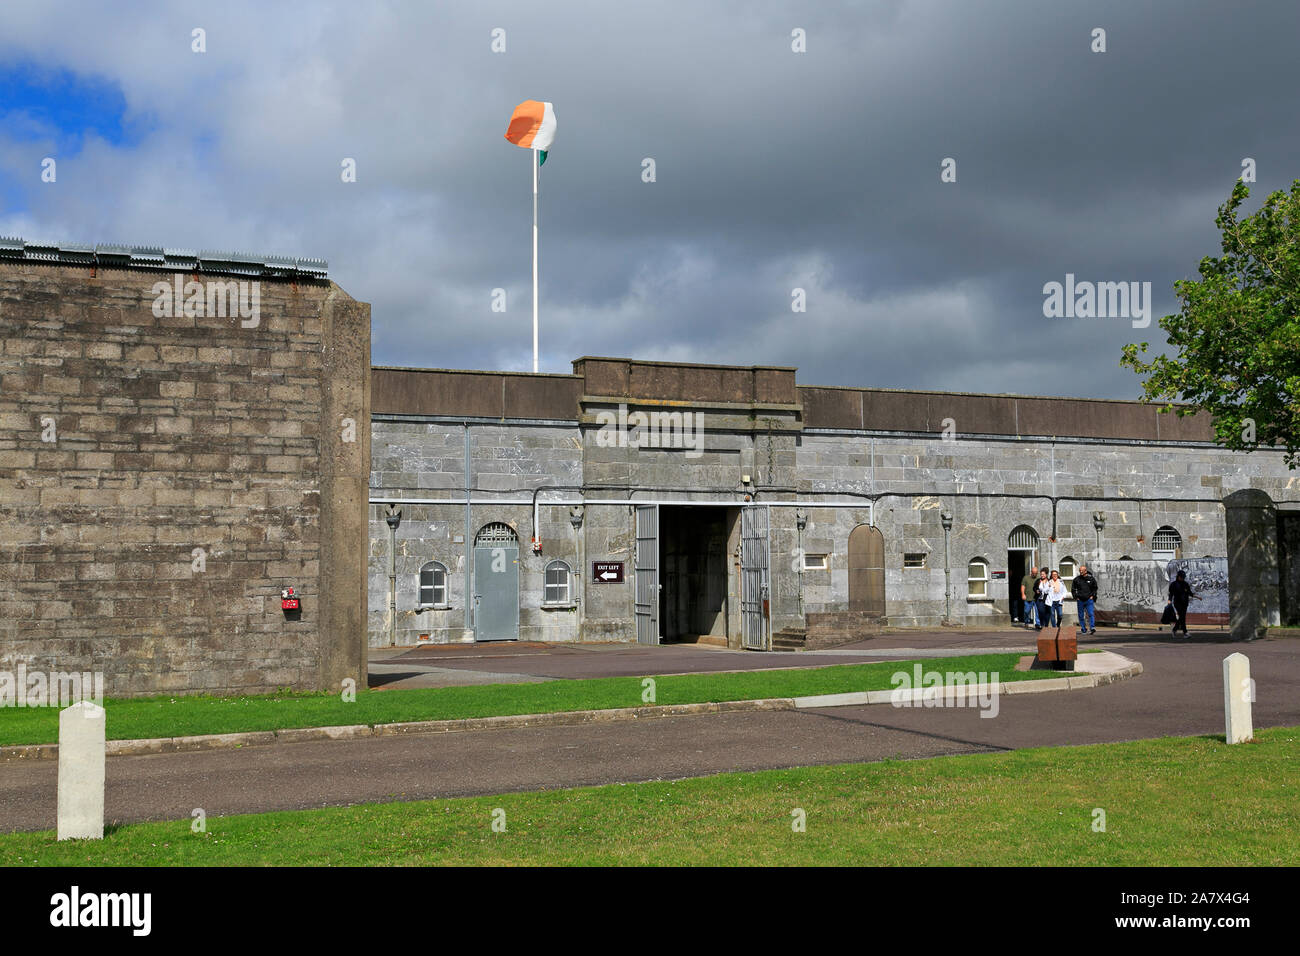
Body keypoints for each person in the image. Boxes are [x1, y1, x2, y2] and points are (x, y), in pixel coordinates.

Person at [1168, 570, 1197, 637]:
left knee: (1182, 617)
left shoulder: (1185, 584)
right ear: (1178, 576)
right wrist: (1169, 599)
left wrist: (1196, 596)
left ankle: (1174, 630)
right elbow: (1171, 593)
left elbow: (1189, 592)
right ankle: (1185, 633)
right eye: (1181, 577)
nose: (1182, 578)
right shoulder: (1173, 584)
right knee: (1182, 617)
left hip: (1185, 603)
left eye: (1183, 577)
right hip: (1177, 603)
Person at [1071, 563, 1098, 634]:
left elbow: (1095, 588)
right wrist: (1076, 597)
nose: (1080, 572)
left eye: (1082, 571)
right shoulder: (1076, 579)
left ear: (1085, 571)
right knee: (1081, 615)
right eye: (1080, 571)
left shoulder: (1091, 579)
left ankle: (1092, 627)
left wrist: (1093, 596)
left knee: (1091, 613)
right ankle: (1083, 628)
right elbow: (1073, 589)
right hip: (1080, 600)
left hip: (1089, 600)